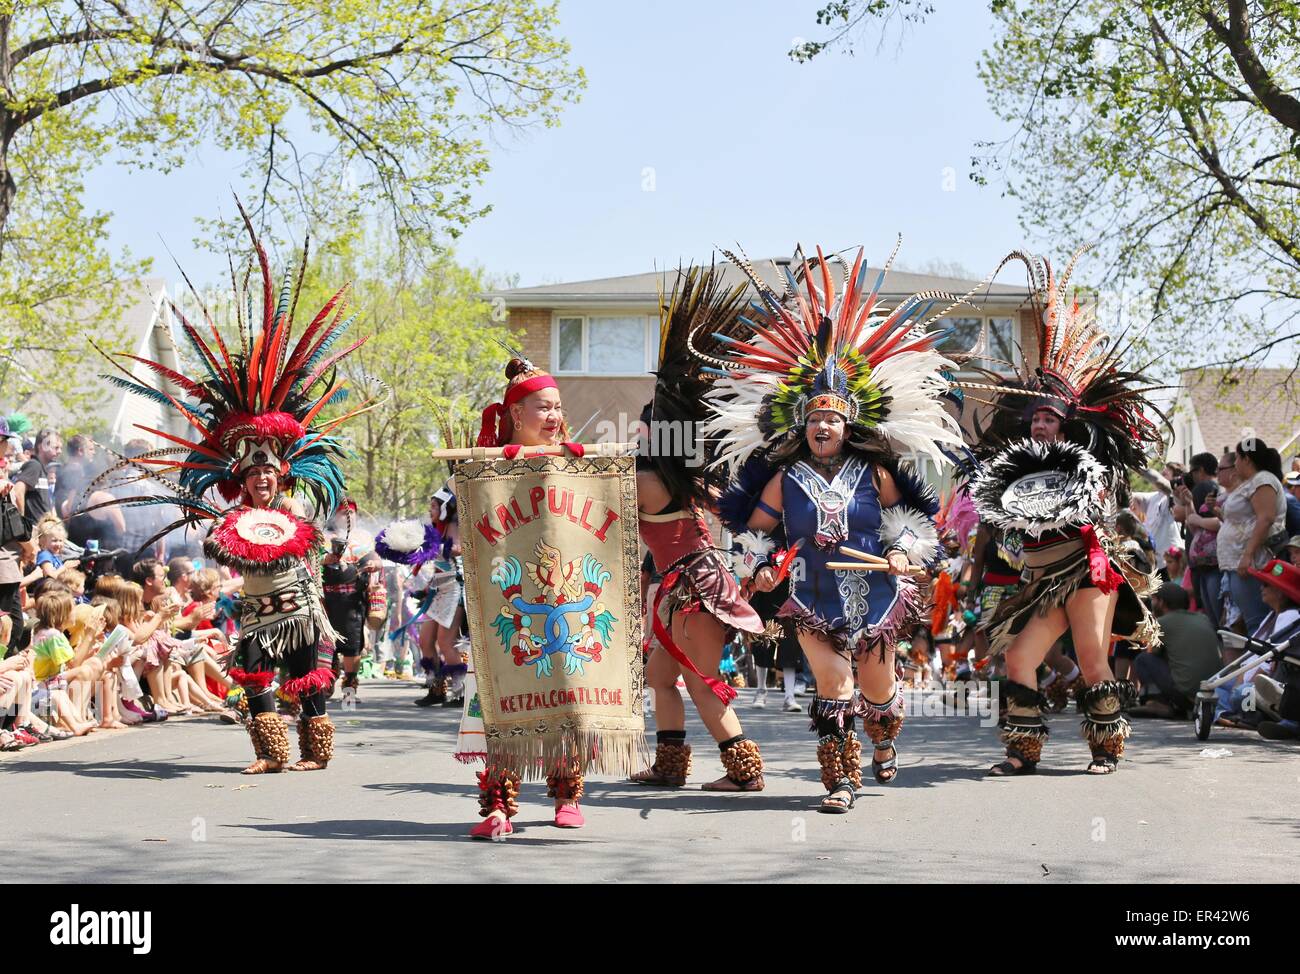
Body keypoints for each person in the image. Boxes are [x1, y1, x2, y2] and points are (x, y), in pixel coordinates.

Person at [96, 206, 371, 774]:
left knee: (307, 677)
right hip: (256, 610)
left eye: (270, 473)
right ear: (241, 479)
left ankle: (314, 754)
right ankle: (270, 756)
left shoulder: (298, 518)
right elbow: (219, 551)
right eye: (254, 475)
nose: (263, 479)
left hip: (298, 610)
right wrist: (234, 539)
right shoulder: (230, 521)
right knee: (253, 678)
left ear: (283, 475)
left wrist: (305, 544)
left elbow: (311, 551)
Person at [706, 245, 959, 813]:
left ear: (848, 425)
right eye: (815, 417)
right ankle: (840, 782)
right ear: (803, 423)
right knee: (833, 685)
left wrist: (903, 552)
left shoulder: (875, 471)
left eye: (833, 418)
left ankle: (885, 737)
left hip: (877, 595)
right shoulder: (784, 476)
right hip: (811, 594)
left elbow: (915, 522)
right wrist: (750, 572)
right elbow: (755, 536)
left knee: (877, 693)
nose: (823, 425)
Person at [967, 249, 1165, 776]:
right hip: (1038, 577)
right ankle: (1022, 751)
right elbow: (998, 517)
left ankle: (1106, 749)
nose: (1041, 425)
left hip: (1083, 572)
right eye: (1036, 418)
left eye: (1051, 418)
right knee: (1018, 658)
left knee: (1092, 658)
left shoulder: (1090, 466)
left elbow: (1100, 507)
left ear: (1067, 424)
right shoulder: (1012, 470)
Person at [628, 267, 767, 792]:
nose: (637, 432)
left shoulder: (648, 479)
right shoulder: (677, 475)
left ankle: (743, 771)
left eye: (643, 427)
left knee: (699, 682)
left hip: (694, 590)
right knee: (662, 677)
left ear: (656, 432)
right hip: (681, 586)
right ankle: (669, 767)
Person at [462, 355, 596, 838]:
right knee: (502, 700)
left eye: (558, 407)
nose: (554, 417)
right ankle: (498, 806)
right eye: (543, 407)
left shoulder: (581, 464)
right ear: (515, 414)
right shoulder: (484, 468)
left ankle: (567, 794)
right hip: (507, 602)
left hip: (567, 600)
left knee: (564, 694)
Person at [1212, 439, 1287, 635]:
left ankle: (1263, 665)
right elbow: (1245, 520)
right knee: (1247, 622)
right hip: (1237, 561)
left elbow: (1266, 518)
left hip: (1251, 562)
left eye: (1237, 458)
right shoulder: (1251, 483)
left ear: (1246, 459)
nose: (1235, 463)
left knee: (1256, 621)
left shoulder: (1263, 480)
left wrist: (1247, 555)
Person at [1130, 583, 1221, 718]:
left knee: (1143, 660)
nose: (1152, 603)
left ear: (1161, 602)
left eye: (1154, 599)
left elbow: (1153, 653)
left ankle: (1156, 703)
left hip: (1187, 694)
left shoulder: (1162, 622)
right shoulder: (1203, 618)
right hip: (1212, 693)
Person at [8, 428, 61, 531]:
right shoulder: (34, 465)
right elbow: (18, 492)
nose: (59, 451)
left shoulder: (42, 470)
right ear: (42, 446)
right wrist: (21, 527)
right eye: (56, 447)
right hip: (34, 536)